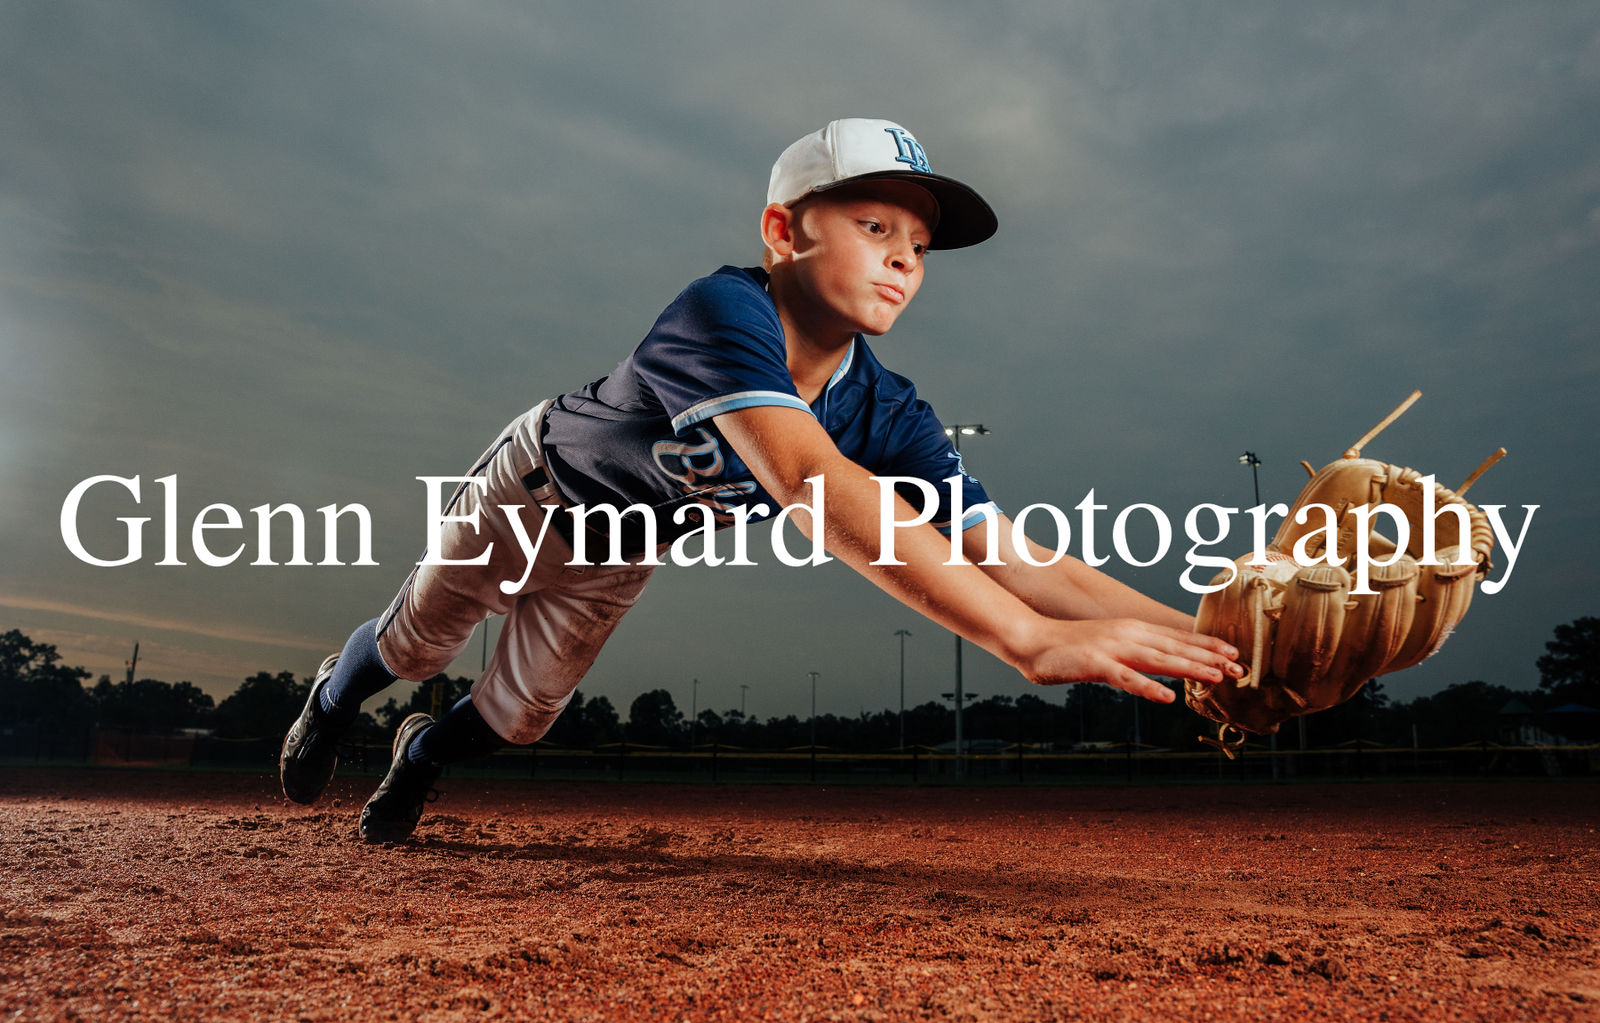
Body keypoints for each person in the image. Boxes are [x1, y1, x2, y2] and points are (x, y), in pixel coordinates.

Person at [279, 119, 1243, 843]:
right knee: (418, 641)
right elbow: (810, 481)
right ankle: (333, 700)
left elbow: (1018, 558)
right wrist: (1026, 640)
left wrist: (1211, 646)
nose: (906, 256)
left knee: (518, 717)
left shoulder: (889, 409)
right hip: (534, 492)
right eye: (874, 225)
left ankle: (420, 755)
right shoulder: (722, 310)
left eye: (919, 243)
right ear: (784, 230)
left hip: (626, 548)